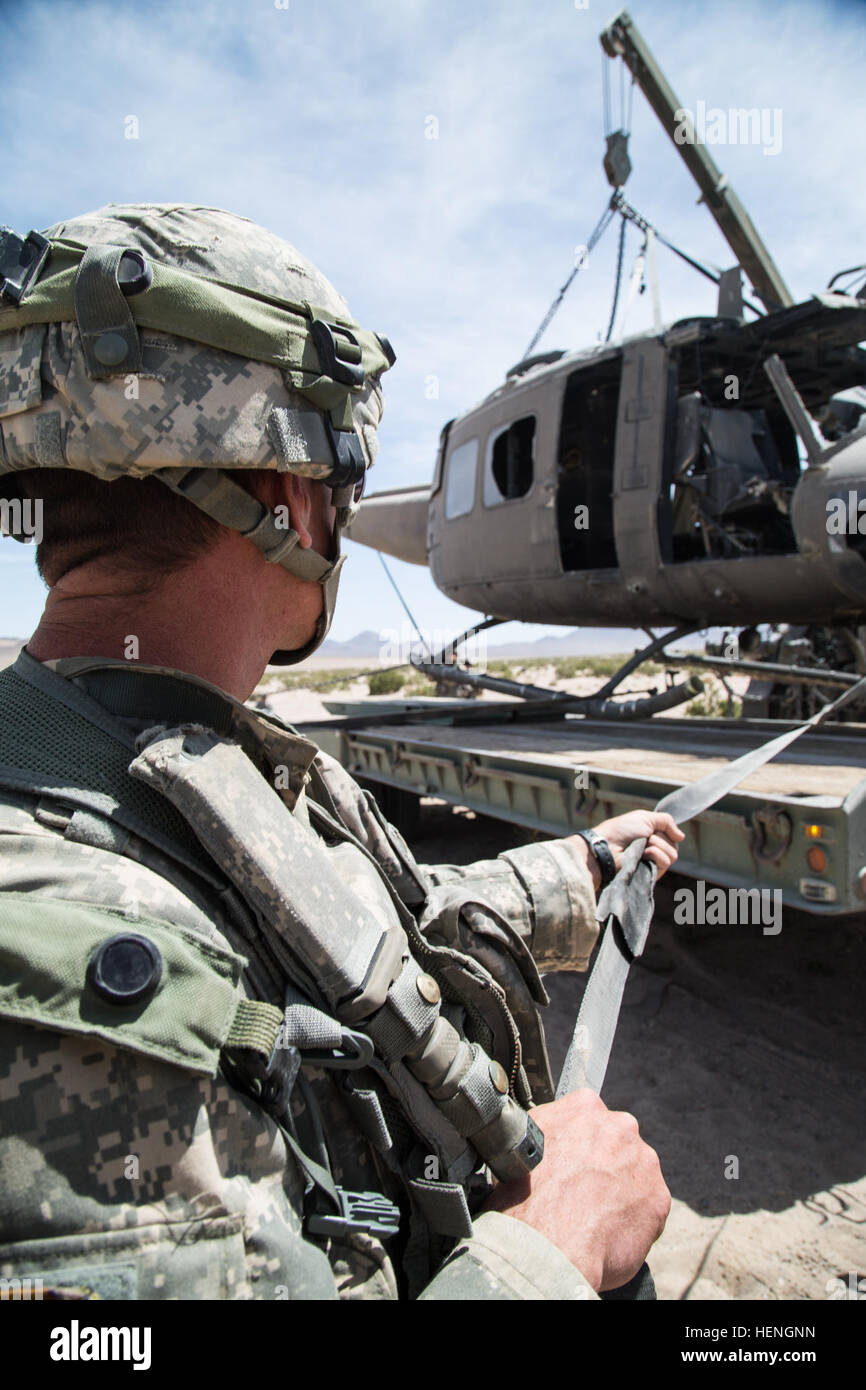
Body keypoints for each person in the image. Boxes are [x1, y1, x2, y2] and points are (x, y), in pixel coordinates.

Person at [0, 204, 681, 1300]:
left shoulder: (142, 750)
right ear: (288, 501)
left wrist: (578, 870)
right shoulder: (86, 954)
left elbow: (345, 925)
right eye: (340, 483)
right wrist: (542, 1255)